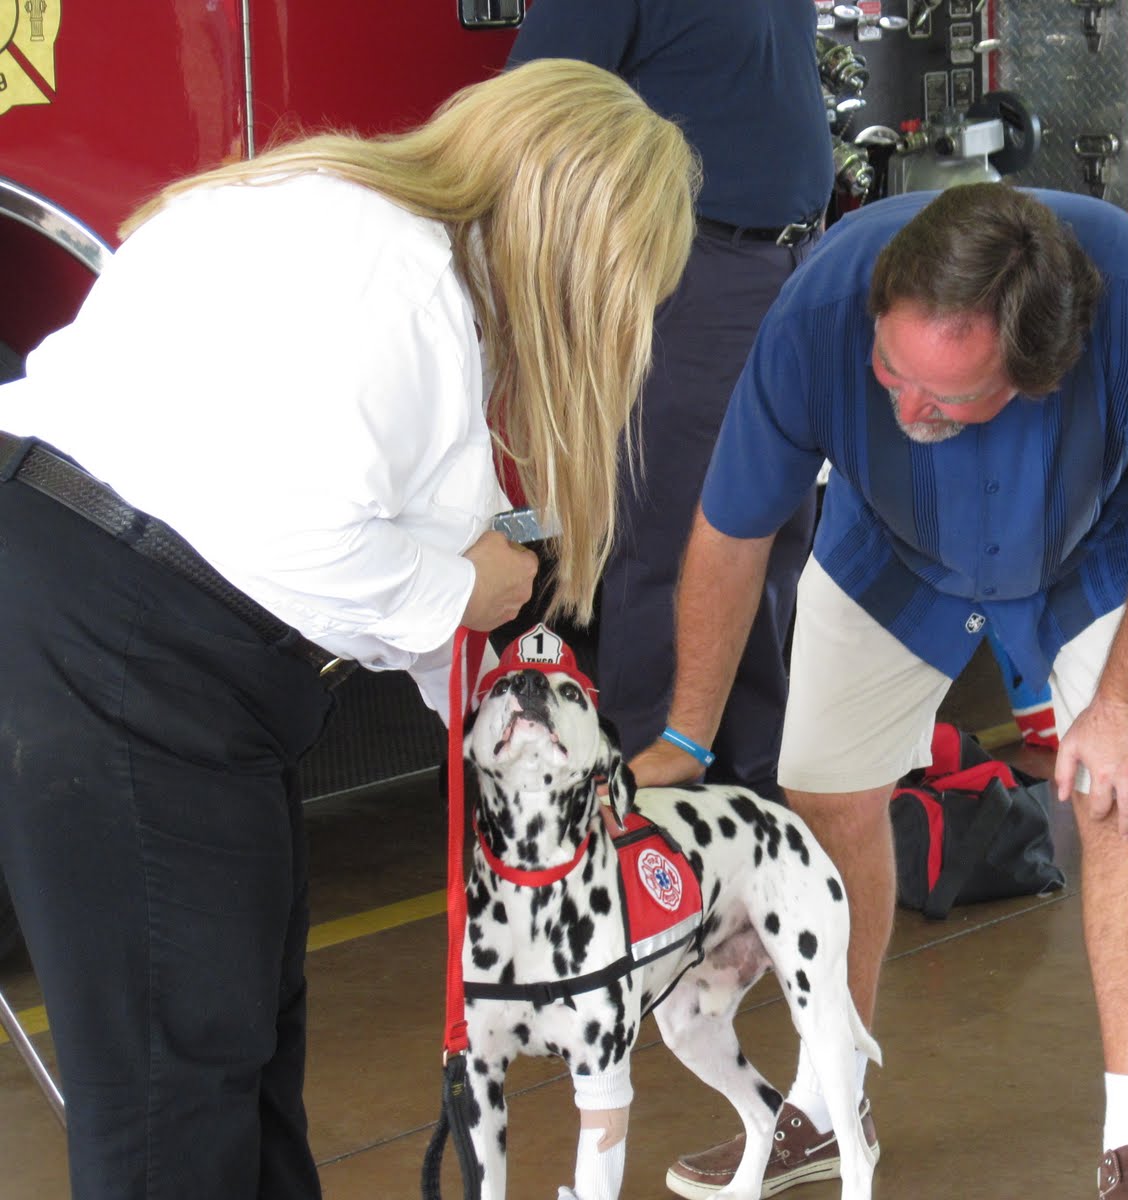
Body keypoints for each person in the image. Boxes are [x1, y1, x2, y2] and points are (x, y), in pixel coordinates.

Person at [0, 59, 695, 1200]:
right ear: (581, 237)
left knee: (239, 1038)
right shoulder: (408, 283)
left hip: (109, 610)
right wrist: (462, 591)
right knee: (174, 1086)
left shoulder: (305, 211)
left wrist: (504, 735)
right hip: (127, 637)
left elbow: (370, 543)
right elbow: (302, 535)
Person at [632, 182, 1128, 1200]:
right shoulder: (817, 310)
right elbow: (732, 531)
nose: (910, 407)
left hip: (1093, 551)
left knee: (1122, 798)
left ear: (1036, 371)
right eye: (891, 374)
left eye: (949, 398)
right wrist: (687, 739)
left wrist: (1126, 703)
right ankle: (828, 1108)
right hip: (891, 546)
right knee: (825, 797)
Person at [504, 0, 834, 800]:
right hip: (690, 270)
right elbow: (529, 110)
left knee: (775, 541)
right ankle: (658, 818)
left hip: (792, 265)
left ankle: (755, 799)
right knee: (675, 548)